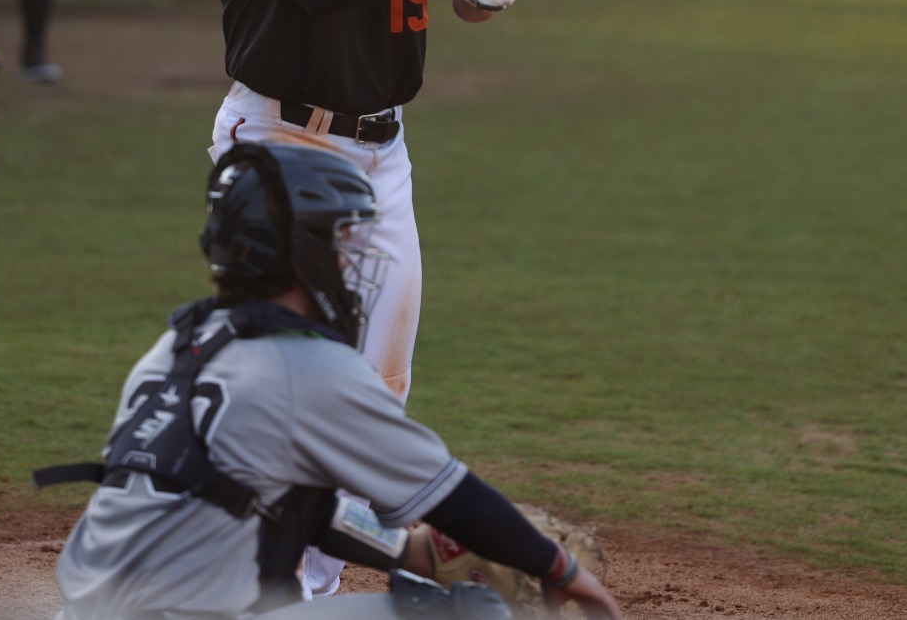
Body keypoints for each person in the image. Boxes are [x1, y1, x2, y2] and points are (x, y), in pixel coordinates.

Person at [201, 0, 524, 597]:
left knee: (379, 387)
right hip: (277, 147)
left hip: (381, 153)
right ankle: (263, 581)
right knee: (298, 380)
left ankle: (311, 576)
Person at [43, 142, 623, 620]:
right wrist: (564, 573)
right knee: (474, 616)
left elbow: (277, 504)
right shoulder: (308, 367)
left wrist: (409, 551)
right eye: (341, 242)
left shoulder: (179, 344)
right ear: (301, 253)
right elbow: (455, 499)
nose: (352, 264)